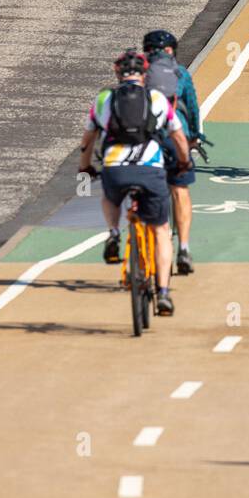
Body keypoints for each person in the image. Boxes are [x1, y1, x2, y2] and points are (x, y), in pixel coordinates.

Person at [78, 49, 190, 317]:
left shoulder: (104, 99)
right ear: (144, 74)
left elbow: (88, 139)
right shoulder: (157, 98)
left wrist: (85, 167)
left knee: (110, 194)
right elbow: (178, 137)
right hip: (150, 170)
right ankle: (163, 293)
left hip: (115, 169)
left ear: (118, 73)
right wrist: (184, 162)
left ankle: (114, 232)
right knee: (161, 229)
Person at [143, 29, 200, 275]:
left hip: (145, 141)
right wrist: (195, 136)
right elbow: (193, 108)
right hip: (176, 138)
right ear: (171, 51)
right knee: (180, 190)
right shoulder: (181, 73)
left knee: (146, 189)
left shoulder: (140, 74)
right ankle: (184, 248)